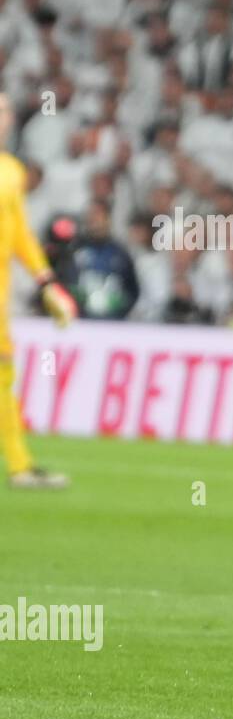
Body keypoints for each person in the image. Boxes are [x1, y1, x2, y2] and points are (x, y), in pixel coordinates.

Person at [0, 93, 78, 489]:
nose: (3, 118)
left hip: (1, 294)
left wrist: (46, 281)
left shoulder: (12, 171)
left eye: (6, 111)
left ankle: (20, 466)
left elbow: (21, 235)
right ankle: (20, 466)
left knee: (3, 375)